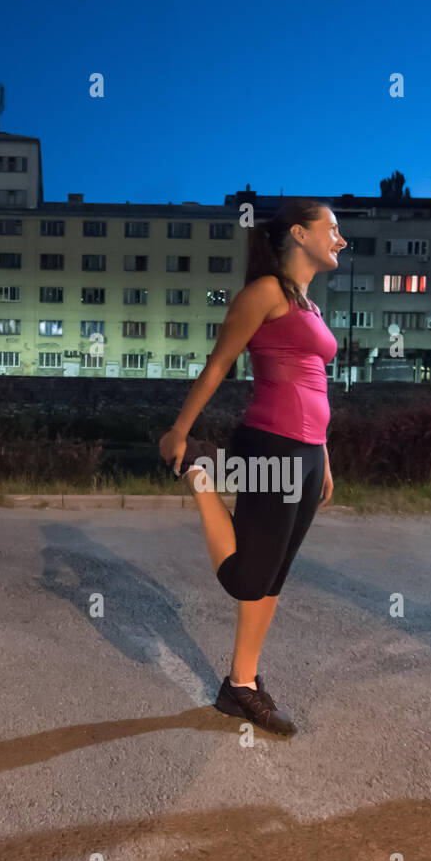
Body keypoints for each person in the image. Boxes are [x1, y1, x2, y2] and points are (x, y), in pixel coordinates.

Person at [158, 199, 343, 735]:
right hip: (270, 446)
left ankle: (241, 685)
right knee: (247, 577)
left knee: (275, 576)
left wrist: (324, 456)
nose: (342, 239)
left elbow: (315, 384)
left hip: (307, 454)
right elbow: (219, 363)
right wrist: (180, 431)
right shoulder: (264, 292)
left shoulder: (307, 304)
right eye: (333, 229)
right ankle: (199, 475)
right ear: (299, 234)